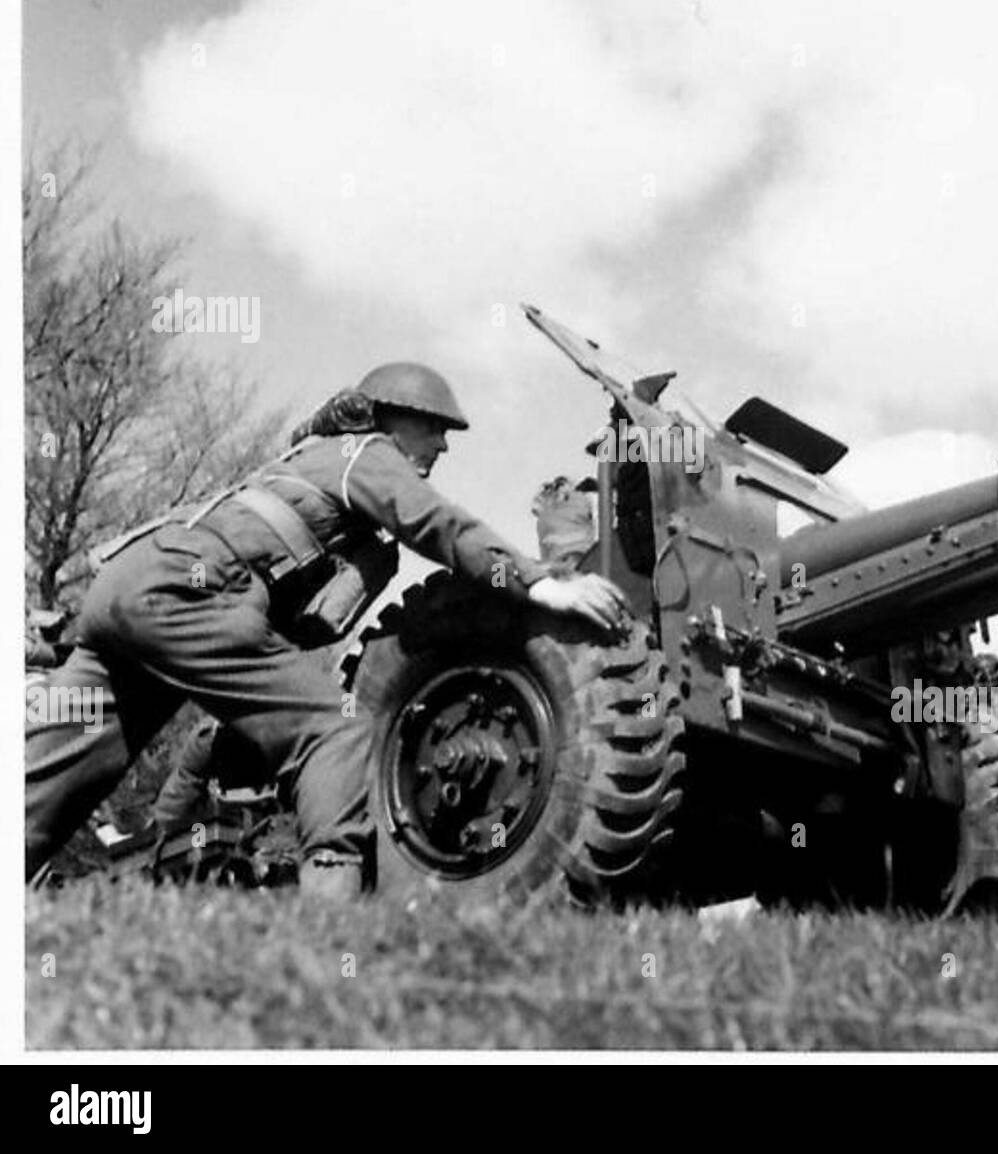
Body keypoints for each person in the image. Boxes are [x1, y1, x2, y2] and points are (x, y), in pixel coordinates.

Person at [25, 362, 626, 896]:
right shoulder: (364, 453)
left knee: (48, 779)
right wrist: (539, 583)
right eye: (435, 427)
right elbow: (438, 523)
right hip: (183, 596)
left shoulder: (302, 463)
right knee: (334, 730)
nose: (443, 444)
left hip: (126, 591)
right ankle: (332, 910)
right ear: (393, 420)